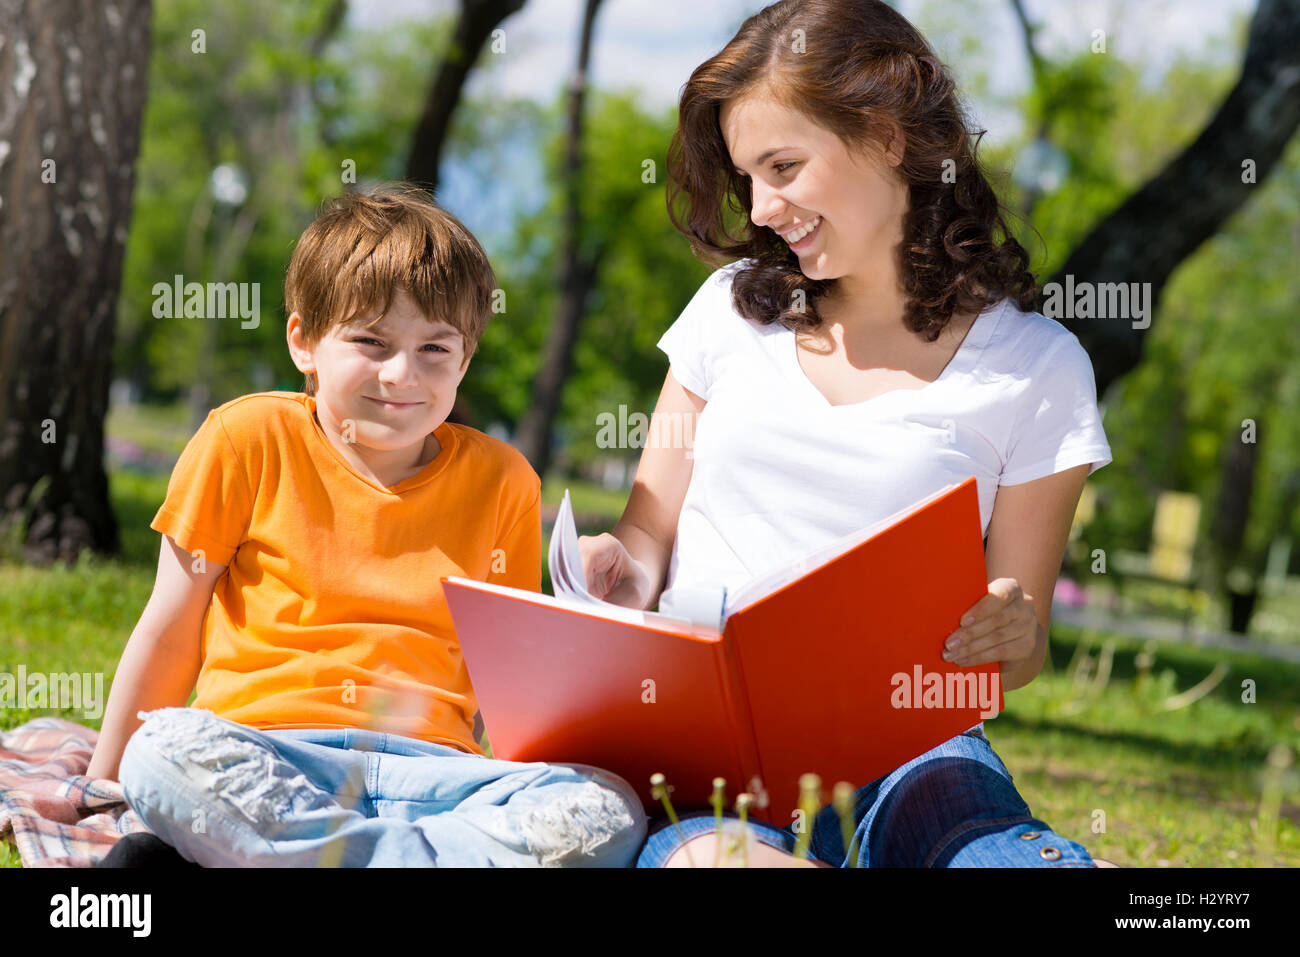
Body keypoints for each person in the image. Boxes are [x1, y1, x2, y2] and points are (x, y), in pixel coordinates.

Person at [577, 0, 1111, 868]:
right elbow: (648, 536)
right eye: (749, 177)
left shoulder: (1037, 367)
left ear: (886, 134)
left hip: (907, 746)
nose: (763, 205)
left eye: (784, 165)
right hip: (714, 750)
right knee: (705, 860)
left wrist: (1011, 631)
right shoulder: (726, 314)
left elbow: (1019, 644)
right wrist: (615, 570)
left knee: (992, 857)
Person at [86, 184, 646, 867]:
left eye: (435, 349)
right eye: (370, 341)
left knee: (607, 804)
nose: (401, 373)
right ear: (305, 342)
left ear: (465, 358)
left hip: (436, 776)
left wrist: (580, 618)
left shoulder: (505, 480)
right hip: (267, 757)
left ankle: (319, 858)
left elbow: (500, 687)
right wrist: (105, 781)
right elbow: (170, 625)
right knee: (162, 753)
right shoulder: (246, 438)